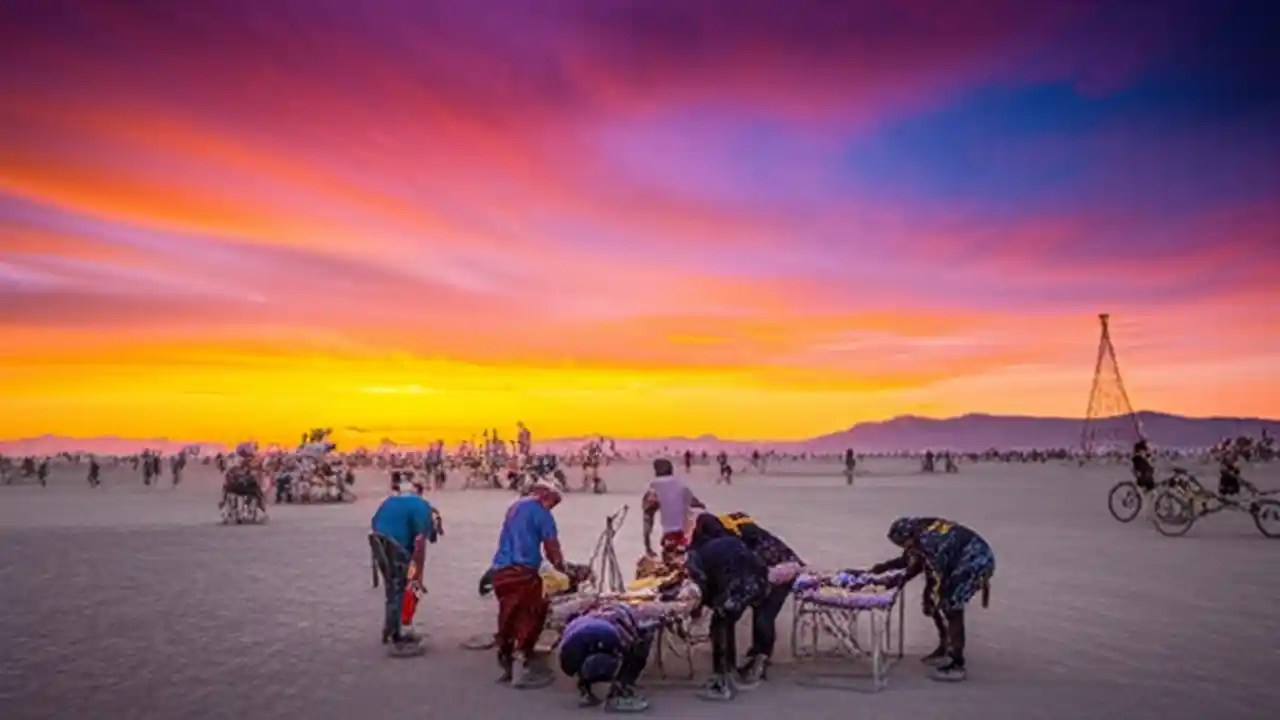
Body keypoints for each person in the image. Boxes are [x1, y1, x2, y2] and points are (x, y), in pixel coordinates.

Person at [870, 517, 995, 682]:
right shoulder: (920, 532)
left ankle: (957, 662)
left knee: (951, 604)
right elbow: (912, 560)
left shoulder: (930, 542)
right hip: (958, 558)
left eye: (903, 544)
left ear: (909, 537)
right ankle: (945, 645)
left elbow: (933, 572)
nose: (904, 548)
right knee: (933, 598)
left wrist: (905, 582)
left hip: (975, 561)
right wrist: (883, 569)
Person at [489, 481, 567, 688]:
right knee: (531, 614)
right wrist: (563, 569)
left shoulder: (515, 507)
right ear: (547, 497)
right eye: (554, 503)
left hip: (500, 570)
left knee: (507, 614)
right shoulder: (542, 513)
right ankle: (521, 659)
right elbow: (552, 547)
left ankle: (505, 656)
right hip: (522, 572)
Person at [685, 514, 768, 701]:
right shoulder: (733, 540)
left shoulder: (700, 551)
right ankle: (730, 672)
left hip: (735, 589)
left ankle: (721, 682)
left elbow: (702, 582)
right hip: (756, 586)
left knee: (719, 625)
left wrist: (699, 606)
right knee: (726, 621)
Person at [714, 512, 804, 683]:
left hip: (782, 576)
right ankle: (756, 655)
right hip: (766, 576)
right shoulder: (741, 537)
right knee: (759, 613)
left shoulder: (749, 542)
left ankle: (761, 659)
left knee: (764, 617)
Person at [370, 473, 439, 654]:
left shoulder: (389, 501)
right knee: (402, 587)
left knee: (391, 588)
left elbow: (375, 523)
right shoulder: (422, 506)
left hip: (379, 544)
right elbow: (422, 539)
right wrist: (417, 573)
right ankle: (396, 633)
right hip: (396, 547)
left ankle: (390, 628)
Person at [558, 603, 653, 712]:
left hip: (566, 658)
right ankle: (617, 695)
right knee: (627, 654)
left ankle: (585, 691)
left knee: (589, 646)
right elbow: (627, 647)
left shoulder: (589, 616)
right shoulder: (621, 622)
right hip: (591, 647)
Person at [642, 459, 705, 565]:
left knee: (673, 568)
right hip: (693, 532)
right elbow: (697, 505)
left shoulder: (655, 487)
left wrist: (647, 545)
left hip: (672, 535)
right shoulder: (681, 484)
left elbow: (648, 515)